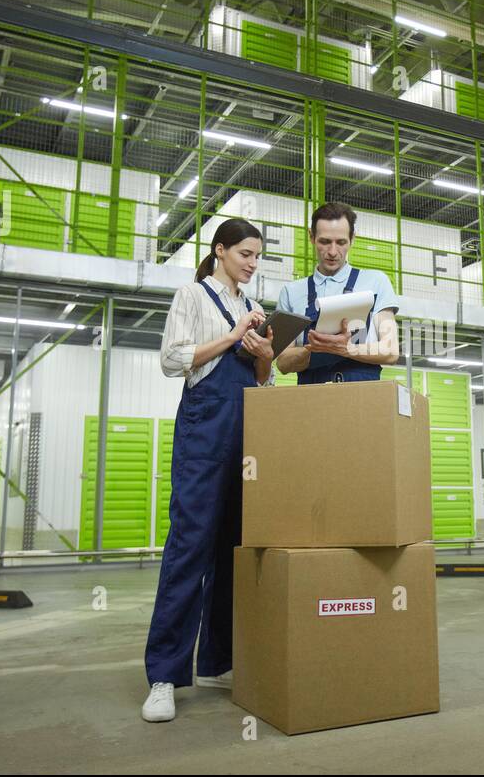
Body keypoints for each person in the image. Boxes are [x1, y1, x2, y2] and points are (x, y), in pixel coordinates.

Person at [142, 217, 274, 723]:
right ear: (220, 251)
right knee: (190, 547)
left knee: (233, 548)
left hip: (247, 435)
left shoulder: (252, 309)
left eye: (258, 255)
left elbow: (264, 383)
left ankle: (218, 661)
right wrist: (234, 335)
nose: (252, 262)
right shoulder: (192, 296)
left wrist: (262, 354)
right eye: (245, 253)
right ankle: (164, 675)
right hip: (204, 434)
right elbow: (173, 360)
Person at [275, 201, 400, 382]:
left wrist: (345, 349)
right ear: (311, 237)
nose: (333, 251)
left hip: (363, 396)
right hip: (312, 397)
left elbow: (390, 351)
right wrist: (314, 349)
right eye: (325, 242)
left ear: (352, 239)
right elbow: (283, 363)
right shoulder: (291, 292)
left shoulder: (376, 282)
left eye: (341, 242)